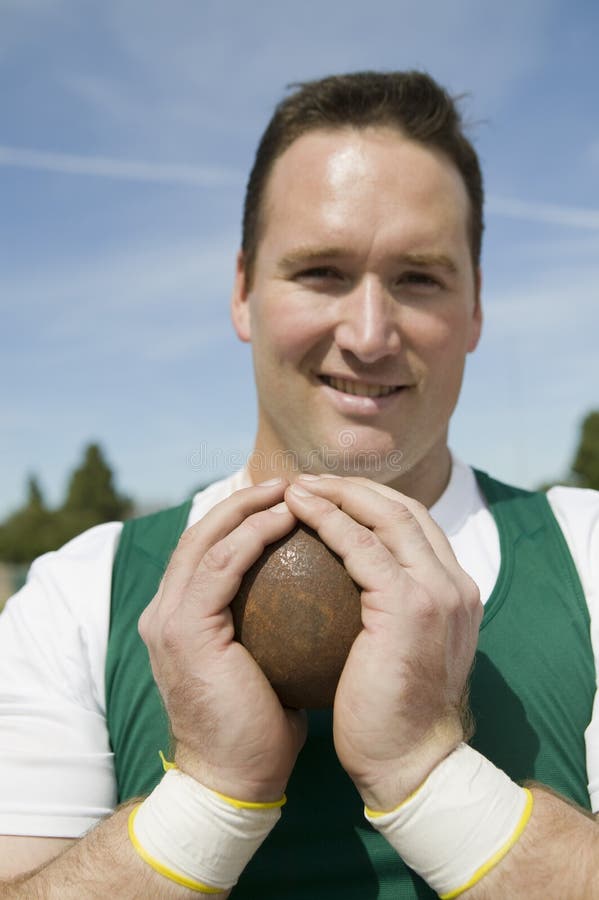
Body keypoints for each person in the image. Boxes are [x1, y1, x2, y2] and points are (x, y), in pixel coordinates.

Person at [1, 70, 598, 899]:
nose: (367, 333)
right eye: (320, 271)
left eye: (418, 278)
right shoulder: (80, 593)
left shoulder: (586, 555)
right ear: (244, 291)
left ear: (475, 307)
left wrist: (426, 775)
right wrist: (209, 796)